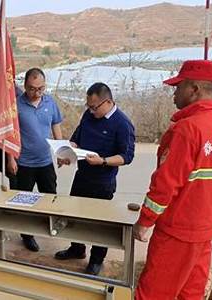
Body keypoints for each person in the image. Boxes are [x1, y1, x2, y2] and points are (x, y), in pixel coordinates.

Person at [134, 60, 212, 299]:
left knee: (152, 294)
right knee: (190, 293)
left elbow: (166, 183)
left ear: (194, 90)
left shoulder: (186, 130)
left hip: (177, 231)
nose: (174, 93)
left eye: (178, 87)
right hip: (205, 230)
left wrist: (145, 221)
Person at [54, 82, 135, 275]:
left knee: (99, 224)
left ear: (108, 102)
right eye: (88, 106)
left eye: (94, 107)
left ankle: (97, 259)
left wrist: (103, 161)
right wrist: (68, 152)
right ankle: (77, 249)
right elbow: (77, 139)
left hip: (103, 183)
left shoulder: (122, 124)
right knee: (75, 216)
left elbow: (127, 156)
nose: (90, 111)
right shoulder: (89, 116)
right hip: (81, 176)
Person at [7, 68, 63, 252]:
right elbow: (10, 134)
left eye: (40, 88)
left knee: (50, 196)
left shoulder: (49, 102)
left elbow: (56, 126)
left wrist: (62, 151)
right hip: (24, 163)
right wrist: (11, 159)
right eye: (32, 89)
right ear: (25, 86)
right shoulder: (16, 105)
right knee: (24, 201)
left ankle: (50, 225)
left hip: (45, 161)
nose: (36, 92)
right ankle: (27, 235)